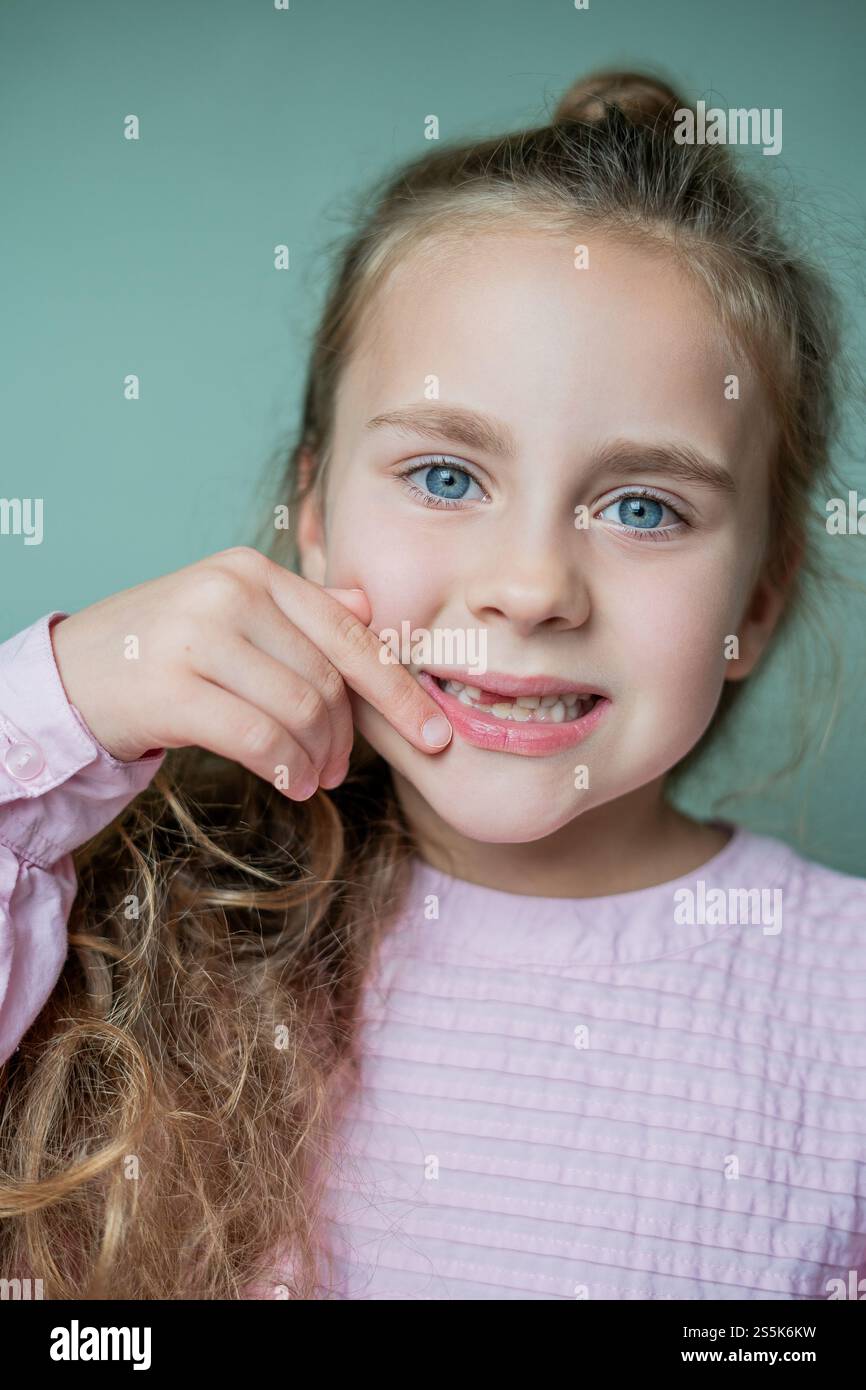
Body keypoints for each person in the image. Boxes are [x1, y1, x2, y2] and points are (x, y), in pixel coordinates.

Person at [2, 68, 864, 1300]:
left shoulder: (844, 1003)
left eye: (640, 505)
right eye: (446, 477)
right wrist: (51, 706)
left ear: (757, 601)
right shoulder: (110, 897)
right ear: (309, 511)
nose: (528, 587)